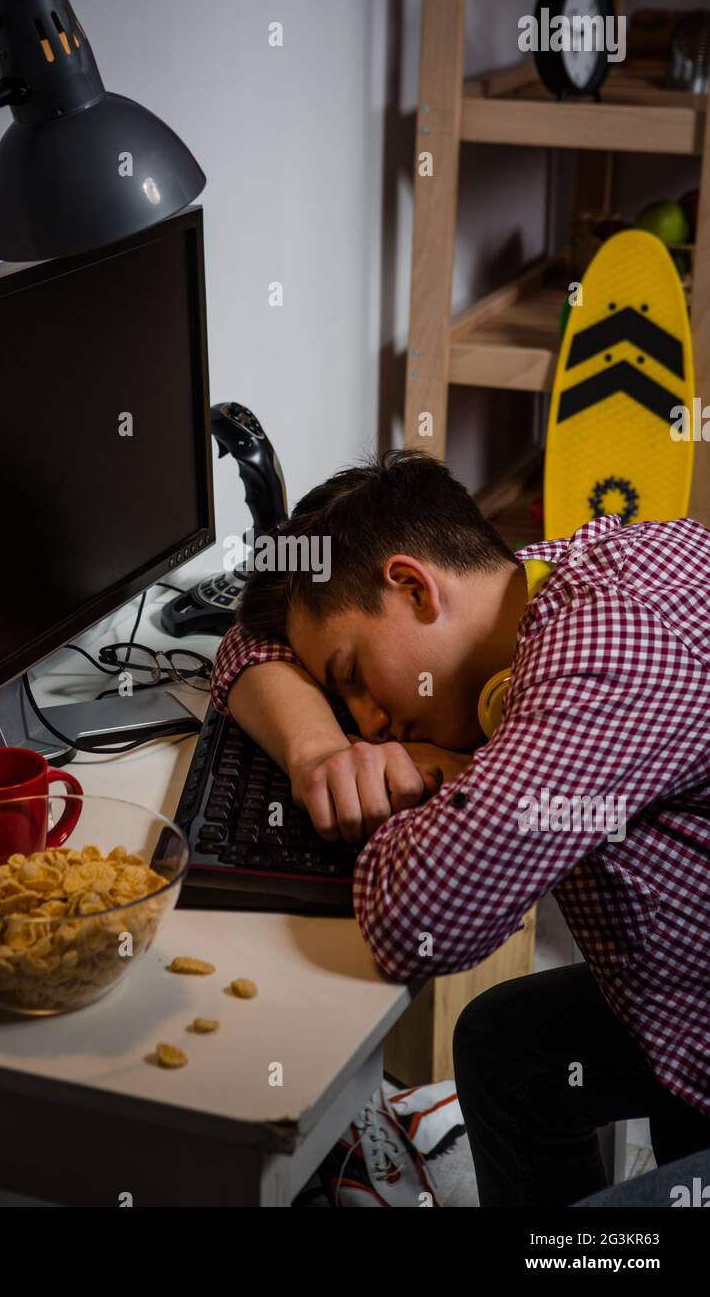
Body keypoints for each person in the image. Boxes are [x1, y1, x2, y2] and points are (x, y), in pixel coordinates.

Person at [210, 448, 710, 1206]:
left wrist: (446, 778)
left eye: (350, 679)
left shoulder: (610, 650)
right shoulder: (525, 587)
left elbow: (422, 916)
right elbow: (246, 645)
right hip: (684, 994)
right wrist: (319, 752)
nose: (369, 724)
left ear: (412, 585)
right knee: (501, 1047)